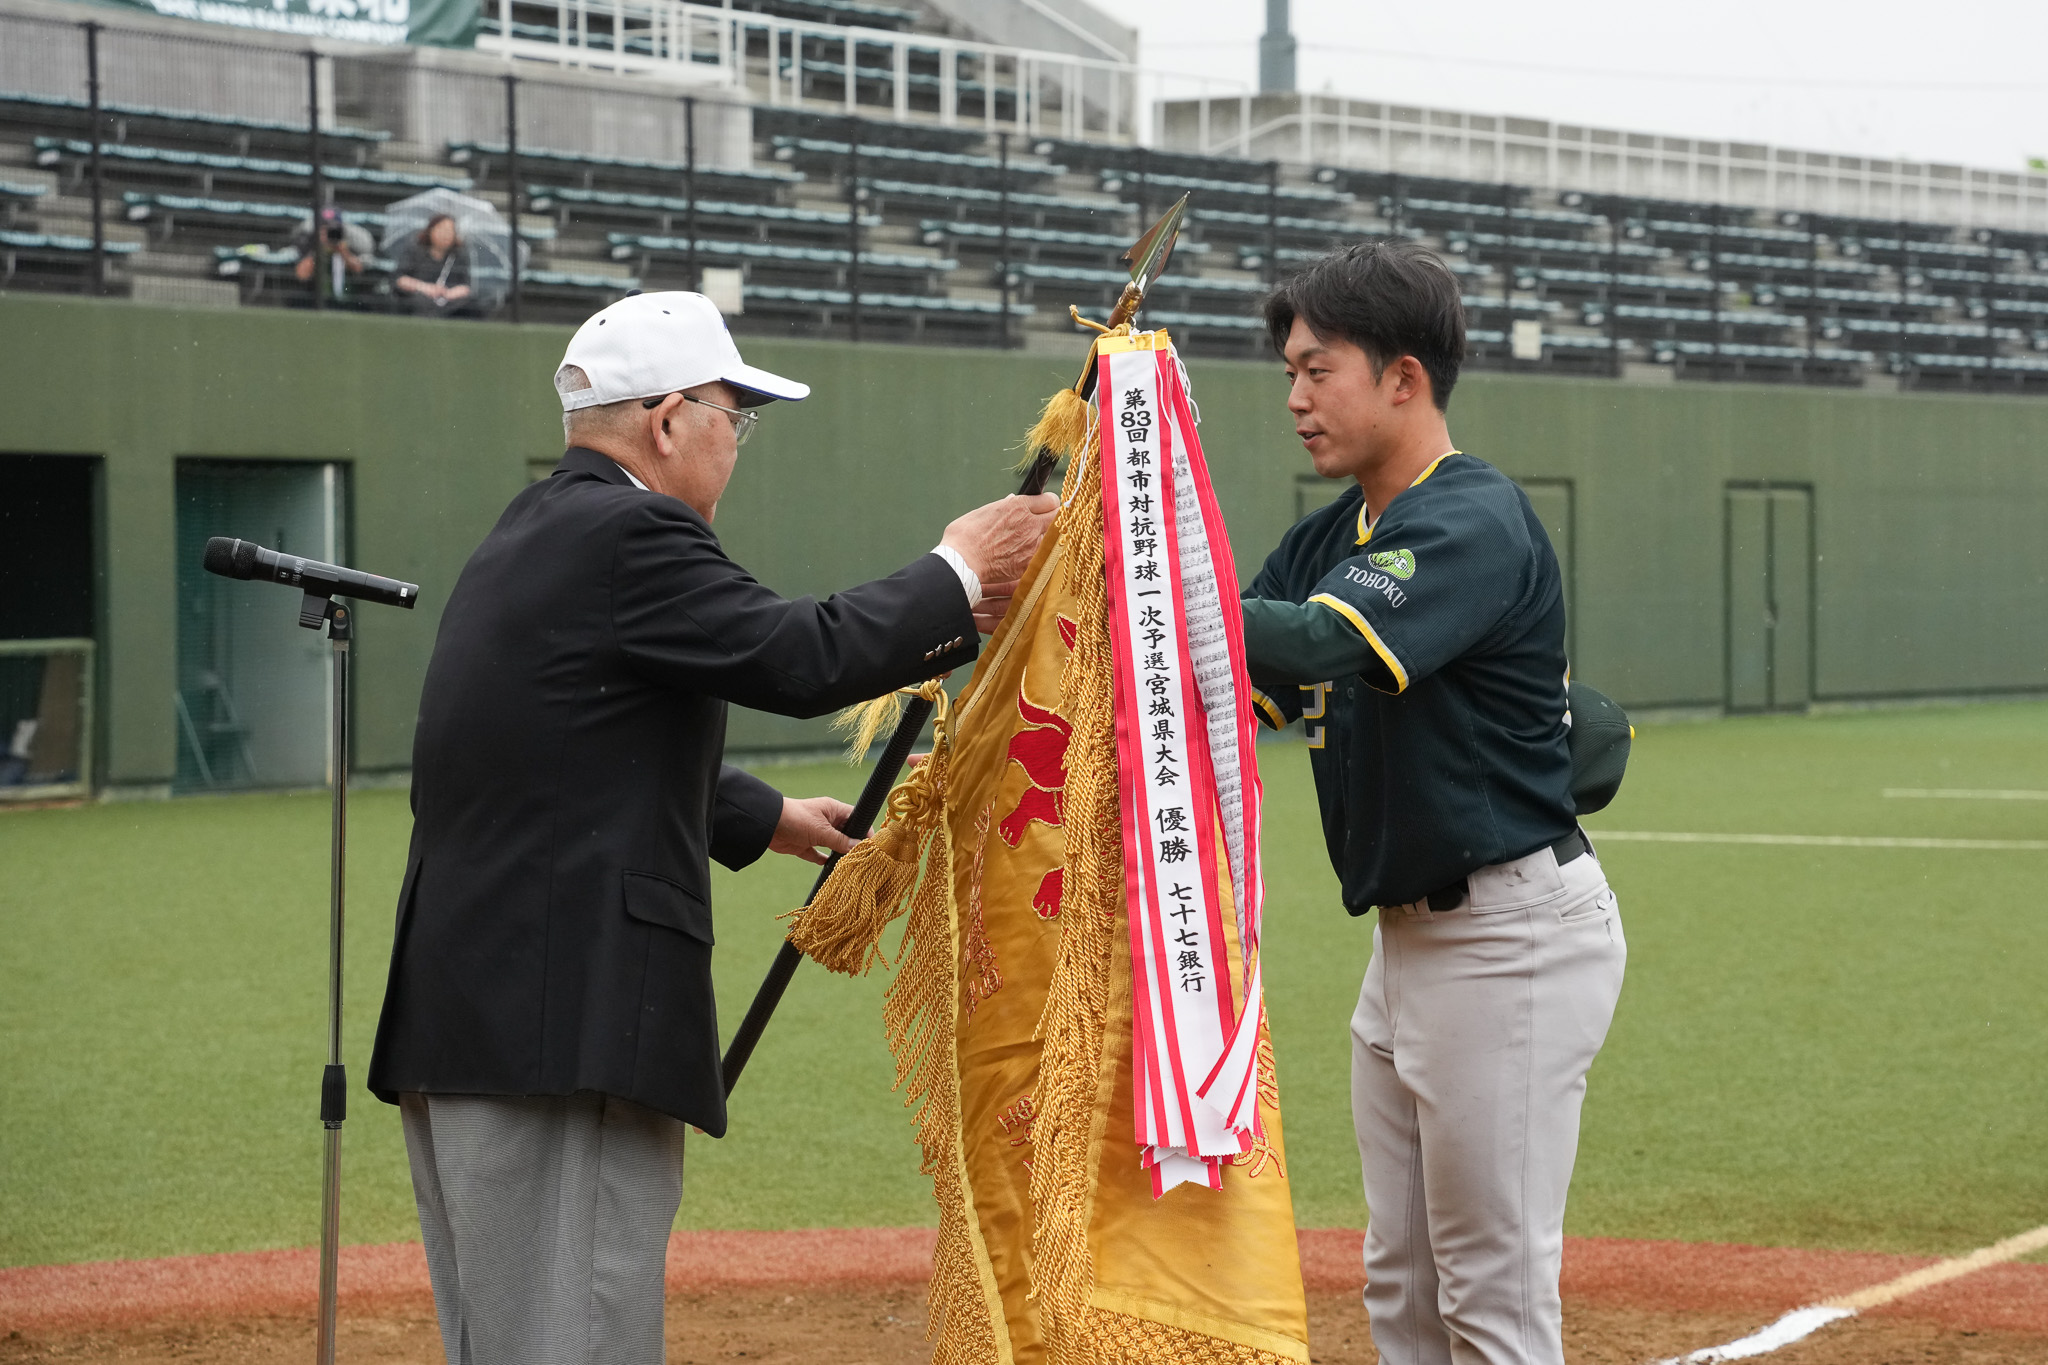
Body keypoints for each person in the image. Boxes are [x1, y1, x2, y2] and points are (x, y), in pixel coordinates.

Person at [367, 290, 1057, 1365]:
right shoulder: (632, 530)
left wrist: (758, 814)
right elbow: (796, 657)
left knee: (504, 1340)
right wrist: (957, 569)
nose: (736, 444)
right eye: (732, 418)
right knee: (572, 1340)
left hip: (479, 1011)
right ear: (667, 420)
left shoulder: (537, 529)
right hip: (563, 1024)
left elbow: (561, 738)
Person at [1236, 241, 1626, 1365]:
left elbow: (1312, 639)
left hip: (1508, 940)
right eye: (1289, 374)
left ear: (1402, 379)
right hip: (1407, 950)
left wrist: (1150, 565)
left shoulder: (1471, 516)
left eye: (1319, 369)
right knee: (1401, 1286)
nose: (1296, 398)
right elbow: (1232, 666)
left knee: (1490, 1298)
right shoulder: (1328, 535)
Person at [392, 213, 476, 318]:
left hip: (448, 302)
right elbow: (401, 280)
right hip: (418, 297)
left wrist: (448, 293)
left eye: (450, 231)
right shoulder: (414, 250)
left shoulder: (459, 255)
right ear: (430, 230)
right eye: (441, 229)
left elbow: (465, 287)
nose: (445, 234)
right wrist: (425, 288)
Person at [290, 205, 372, 305]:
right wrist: (318, 251)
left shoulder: (351, 241)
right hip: (315, 300)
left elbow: (358, 269)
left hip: (349, 300)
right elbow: (301, 275)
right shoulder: (310, 242)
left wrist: (343, 251)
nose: (329, 234)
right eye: (324, 229)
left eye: (332, 230)